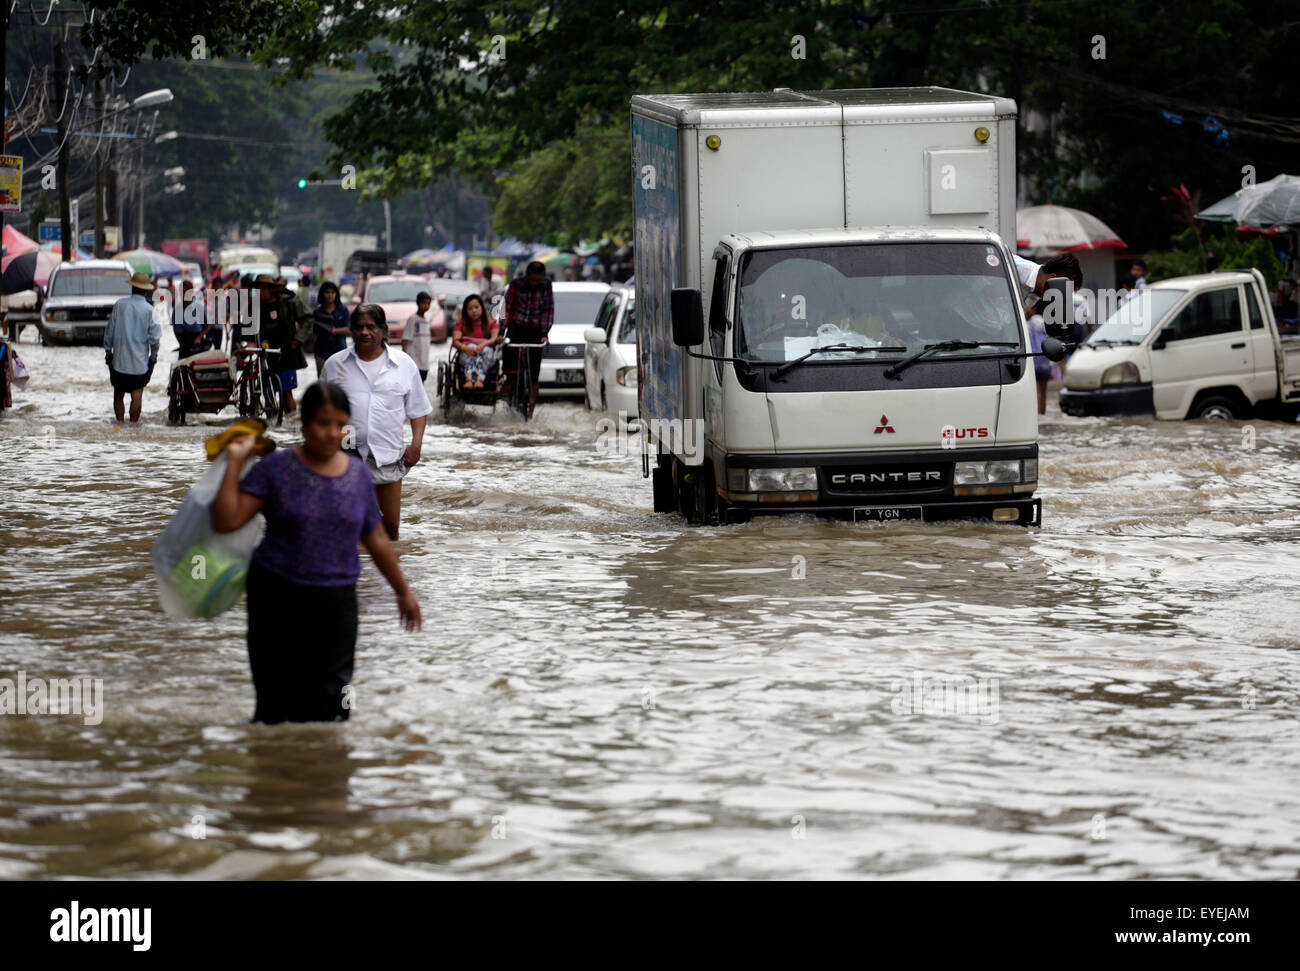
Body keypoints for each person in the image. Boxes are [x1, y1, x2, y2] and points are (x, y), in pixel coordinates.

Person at [211, 381, 422, 724]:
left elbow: (377, 540)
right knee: (273, 704)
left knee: (334, 703)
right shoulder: (276, 468)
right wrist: (234, 463)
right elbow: (226, 522)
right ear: (305, 424)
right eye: (323, 423)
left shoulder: (357, 476)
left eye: (340, 425)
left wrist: (403, 591)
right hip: (277, 596)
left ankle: (327, 769)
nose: (331, 433)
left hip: (336, 601)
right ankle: (276, 770)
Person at [321, 303, 432, 540]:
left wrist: (416, 444)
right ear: (351, 331)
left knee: (390, 530)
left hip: (387, 455)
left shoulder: (404, 365)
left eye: (371, 327)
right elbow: (319, 412)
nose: (364, 332)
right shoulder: (335, 364)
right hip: (344, 457)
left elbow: (418, 410)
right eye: (359, 327)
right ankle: (355, 575)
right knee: (346, 527)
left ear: (383, 331)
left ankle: (378, 575)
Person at [103, 271, 161, 423]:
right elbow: (155, 340)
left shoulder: (120, 305)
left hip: (119, 364)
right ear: (146, 290)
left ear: (132, 288)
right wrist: (153, 357)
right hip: (139, 365)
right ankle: (133, 428)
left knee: (118, 394)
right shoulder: (150, 310)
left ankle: (120, 425)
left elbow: (109, 330)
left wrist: (108, 350)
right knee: (137, 395)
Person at [252, 274, 311, 415]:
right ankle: (272, 424)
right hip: (265, 353)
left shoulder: (288, 302)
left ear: (271, 290)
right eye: (258, 289)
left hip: (286, 351)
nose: (260, 292)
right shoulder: (254, 306)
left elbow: (308, 319)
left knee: (287, 393)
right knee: (268, 393)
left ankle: (291, 423)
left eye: (263, 289)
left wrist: (297, 340)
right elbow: (245, 328)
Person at [501, 260, 553, 416]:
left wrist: (544, 334)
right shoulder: (516, 285)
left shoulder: (546, 285)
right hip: (516, 328)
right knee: (509, 361)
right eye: (533, 280)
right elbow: (507, 308)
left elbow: (548, 310)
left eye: (539, 280)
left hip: (535, 331)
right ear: (527, 276)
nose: (536, 283)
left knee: (534, 374)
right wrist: (501, 332)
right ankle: (508, 384)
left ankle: (531, 409)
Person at [452, 293, 500, 390]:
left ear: (482, 308)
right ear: (466, 311)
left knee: (487, 350)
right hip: (467, 353)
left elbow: (494, 339)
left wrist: (483, 345)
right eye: (470, 308)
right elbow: (456, 341)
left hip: (486, 354)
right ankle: (468, 379)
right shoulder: (460, 324)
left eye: (476, 307)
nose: (474, 311)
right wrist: (465, 348)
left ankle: (480, 379)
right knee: (471, 346)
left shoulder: (492, 324)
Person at [312, 281, 350, 375]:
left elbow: (349, 330)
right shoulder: (317, 312)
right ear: (322, 294)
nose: (330, 295)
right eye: (327, 292)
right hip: (321, 351)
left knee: (339, 381)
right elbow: (313, 332)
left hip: (340, 350)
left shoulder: (343, 310)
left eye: (333, 293)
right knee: (323, 380)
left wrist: (333, 330)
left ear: (336, 294)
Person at [402, 291, 434, 382]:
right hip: (414, 358)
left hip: (424, 359)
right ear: (418, 303)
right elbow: (405, 339)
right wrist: (405, 357)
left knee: (422, 381)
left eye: (428, 303)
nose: (426, 305)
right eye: (424, 303)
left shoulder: (427, 321)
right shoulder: (413, 319)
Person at [1027, 299, 1051, 415]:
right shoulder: (1046, 323)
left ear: (1034, 309)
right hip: (1045, 361)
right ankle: (1043, 414)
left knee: (1035, 392)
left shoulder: (1028, 324)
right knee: (1043, 392)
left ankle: (1037, 419)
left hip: (1033, 361)